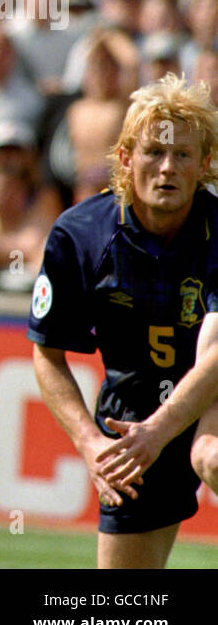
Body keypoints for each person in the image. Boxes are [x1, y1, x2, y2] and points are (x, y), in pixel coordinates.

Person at [30, 74, 218, 568]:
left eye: (183, 155)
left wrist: (161, 431)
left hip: (209, 393)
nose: (167, 168)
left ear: (205, 164)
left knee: (211, 457)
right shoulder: (80, 235)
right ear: (126, 158)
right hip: (132, 416)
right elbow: (47, 352)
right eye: (154, 152)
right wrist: (91, 442)